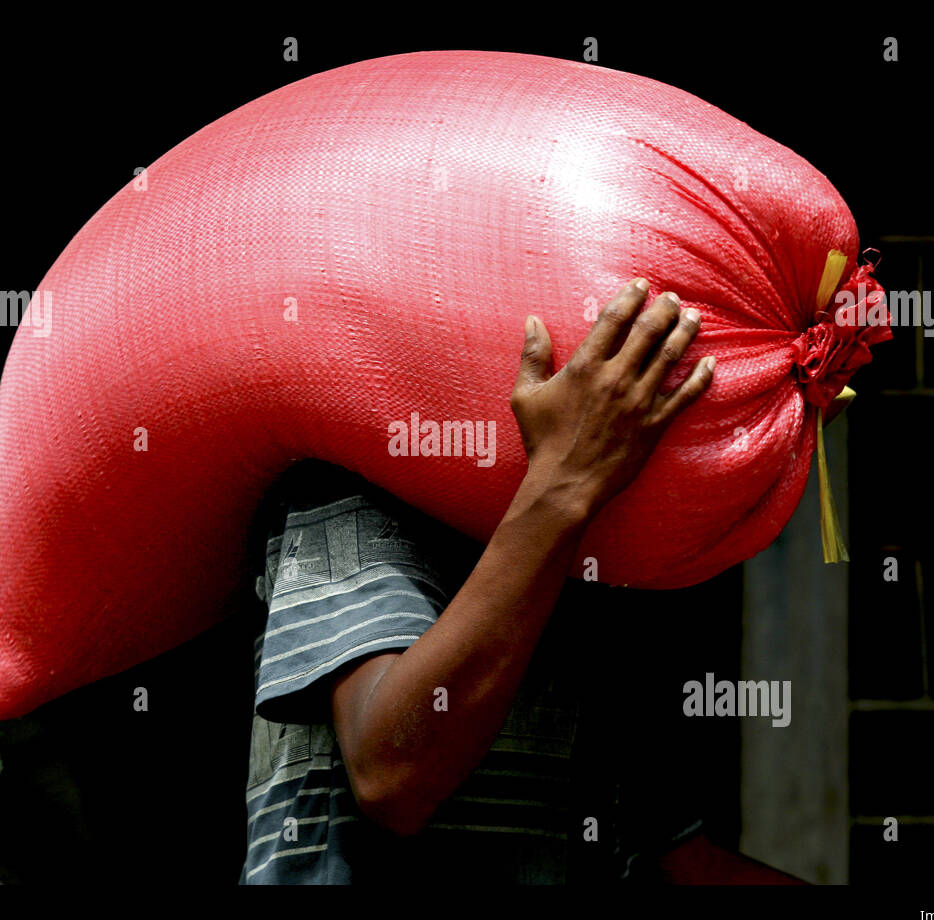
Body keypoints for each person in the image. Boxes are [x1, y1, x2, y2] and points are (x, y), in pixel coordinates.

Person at [240, 278, 803, 884]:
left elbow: (664, 856)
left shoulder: (612, 544)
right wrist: (565, 483)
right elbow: (394, 775)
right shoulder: (359, 472)